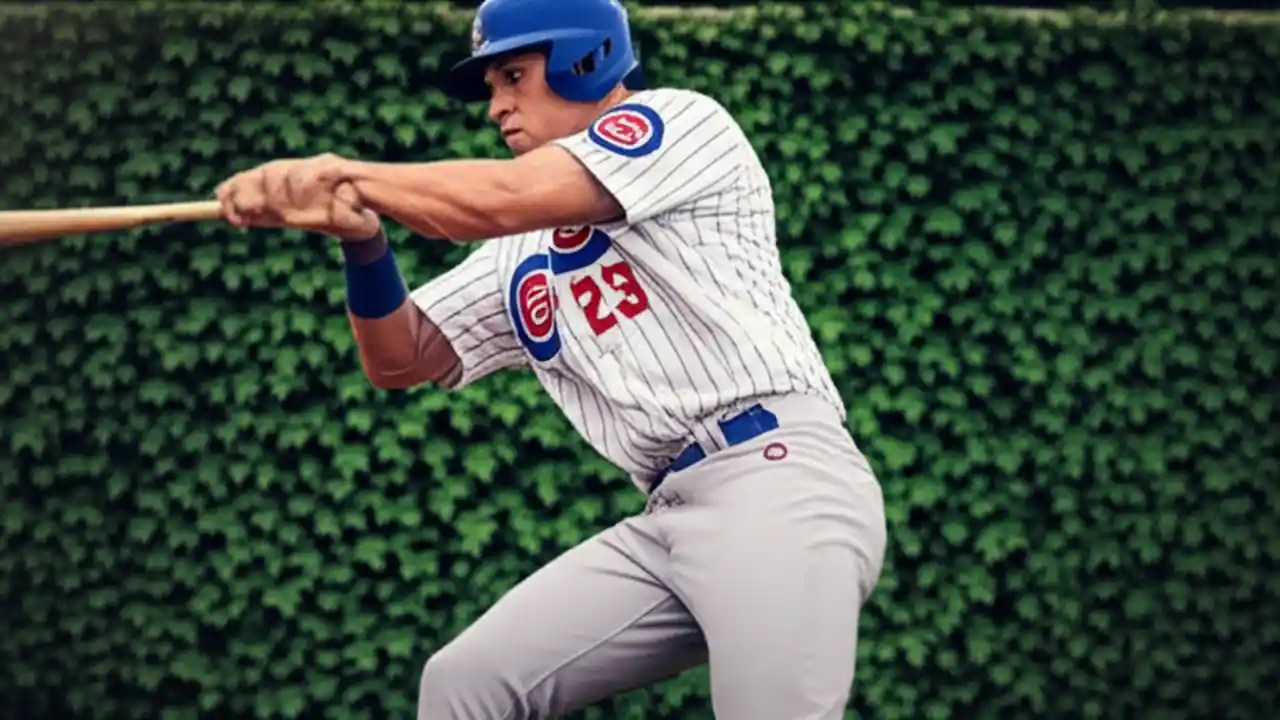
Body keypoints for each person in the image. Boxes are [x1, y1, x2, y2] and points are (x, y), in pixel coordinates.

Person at [214, 0, 888, 717]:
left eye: (513, 74)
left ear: (585, 58)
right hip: (669, 513)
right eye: (491, 87)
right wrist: (364, 244)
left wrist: (347, 173)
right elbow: (402, 356)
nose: (496, 106)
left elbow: (501, 200)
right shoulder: (519, 250)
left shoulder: (677, 123)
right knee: (466, 682)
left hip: (776, 480)